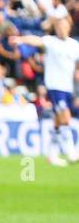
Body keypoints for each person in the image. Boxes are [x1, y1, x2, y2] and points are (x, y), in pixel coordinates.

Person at [11, 12, 79, 165]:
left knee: (57, 121)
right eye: (59, 26)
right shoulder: (51, 42)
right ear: (55, 28)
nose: (61, 29)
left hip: (67, 88)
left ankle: (52, 155)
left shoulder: (74, 46)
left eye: (64, 26)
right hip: (55, 86)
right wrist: (21, 39)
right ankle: (71, 151)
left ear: (69, 27)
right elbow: (35, 40)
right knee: (65, 117)